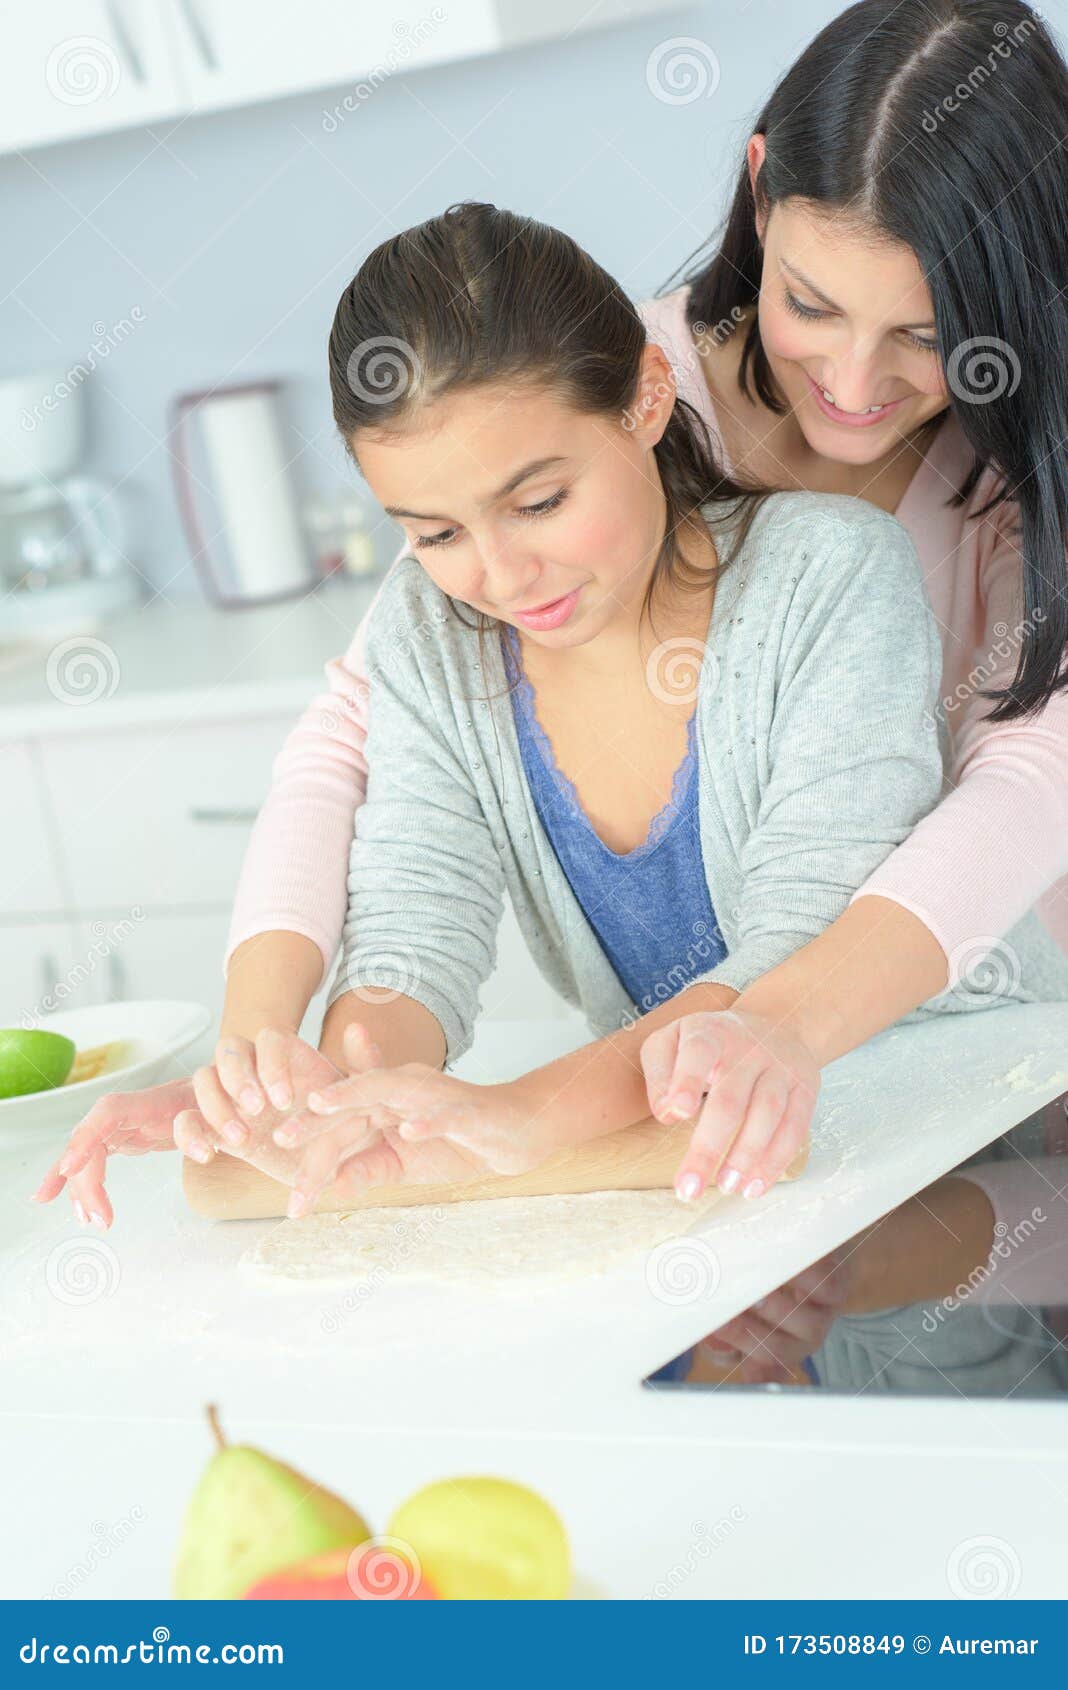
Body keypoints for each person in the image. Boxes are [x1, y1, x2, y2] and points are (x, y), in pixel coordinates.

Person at [36, 1, 1068, 1247]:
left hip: (976, 1029)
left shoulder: (1007, 466)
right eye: (811, 304)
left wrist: (696, 1054)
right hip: (732, 1074)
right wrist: (272, 1060)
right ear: (759, 189)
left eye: (925, 333)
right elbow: (370, 726)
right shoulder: (620, 385)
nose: (851, 387)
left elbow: (1029, 780)